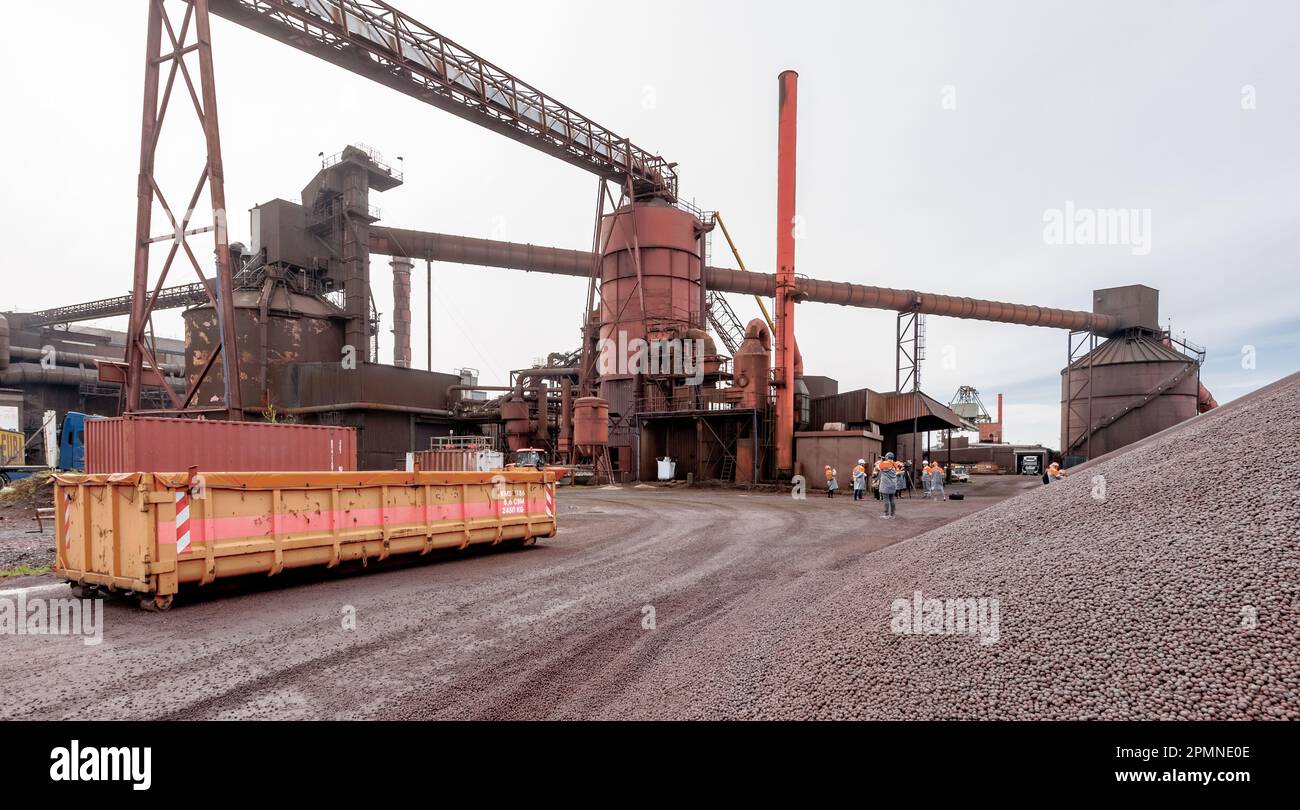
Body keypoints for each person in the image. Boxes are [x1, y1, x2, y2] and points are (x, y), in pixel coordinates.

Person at [879, 453, 901, 518]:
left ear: (887, 457)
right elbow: (898, 472)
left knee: (886, 500)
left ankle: (886, 514)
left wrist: (881, 460)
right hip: (893, 485)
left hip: (885, 485)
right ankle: (892, 514)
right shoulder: (895, 464)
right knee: (892, 500)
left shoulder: (884, 463)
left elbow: (878, 468)